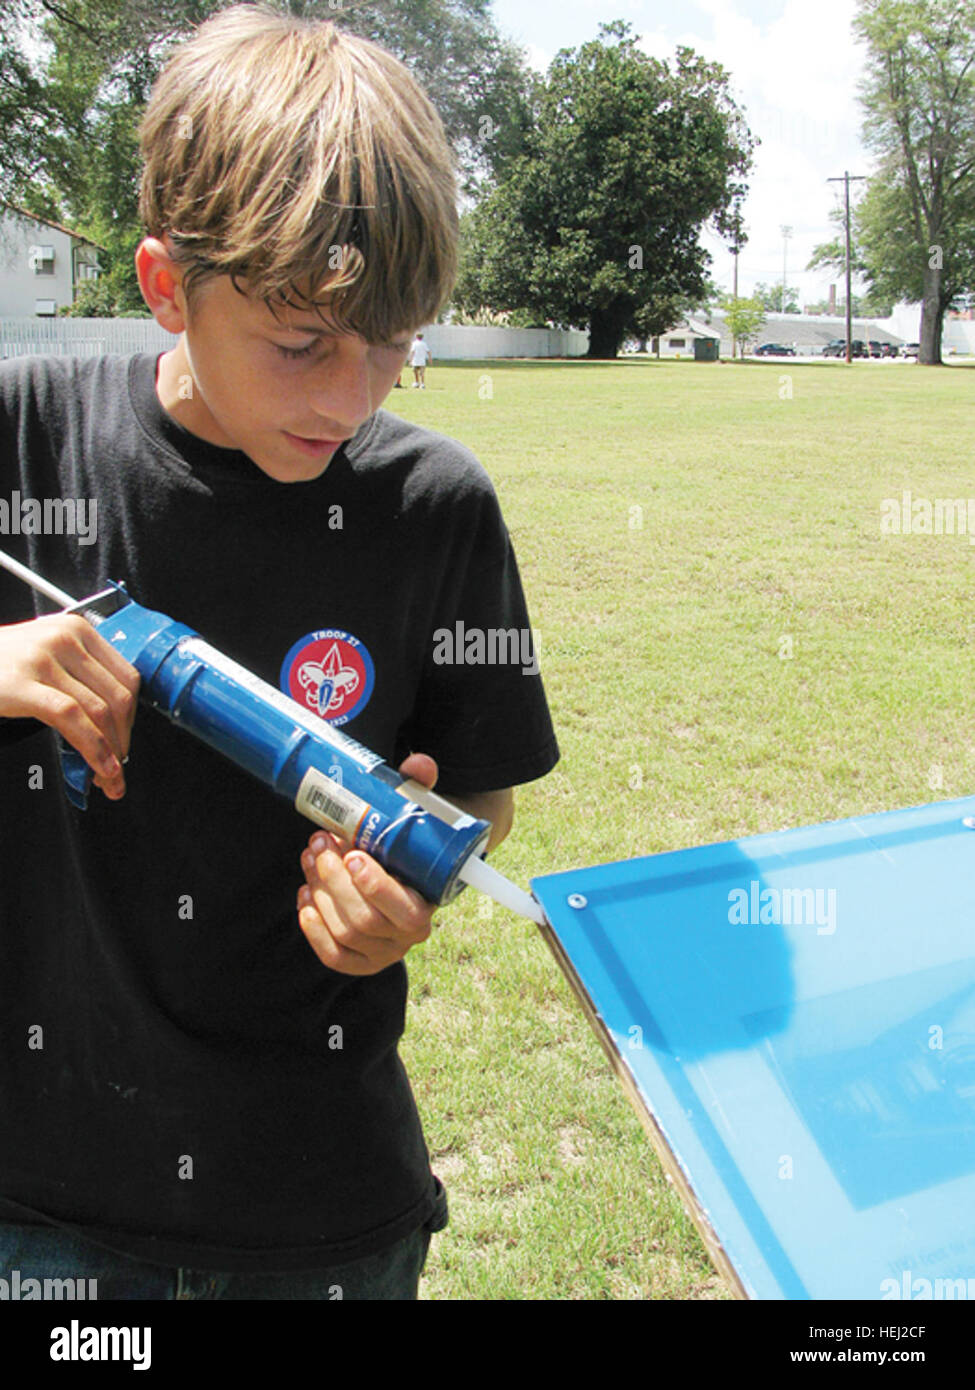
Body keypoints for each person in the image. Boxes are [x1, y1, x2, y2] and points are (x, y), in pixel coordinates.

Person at [0, 5, 558, 1301]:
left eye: (396, 345)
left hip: (320, 1216)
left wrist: (403, 887)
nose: (354, 395)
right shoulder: (24, 436)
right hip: (44, 1211)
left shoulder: (438, 506)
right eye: (302, 343)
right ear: (163, 286)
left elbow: (482, 795)